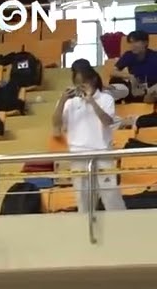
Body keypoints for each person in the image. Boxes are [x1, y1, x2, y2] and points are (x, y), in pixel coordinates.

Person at [52, 66, 126, 213]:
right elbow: (56, 125)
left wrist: (91, 101)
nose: (81, 87)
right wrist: (62, 100)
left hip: (102, 152)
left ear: (93, 80)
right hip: (78, 155)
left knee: (110, 195)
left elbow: (107, 122)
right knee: (83, 198)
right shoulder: (69, 102)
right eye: (77, 84)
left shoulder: (106, 98)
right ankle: (85, 231)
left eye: (84, 83)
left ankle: (121, 227)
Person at [113, 30, 157, 102]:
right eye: (130, 42)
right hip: (136, 88)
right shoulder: (128, 55)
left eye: (136, 42)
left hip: (153, 88)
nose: (132, 45)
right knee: (115, 81)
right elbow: (113, 72)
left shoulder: (154, 56)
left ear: (145, 43)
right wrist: (130, 76)